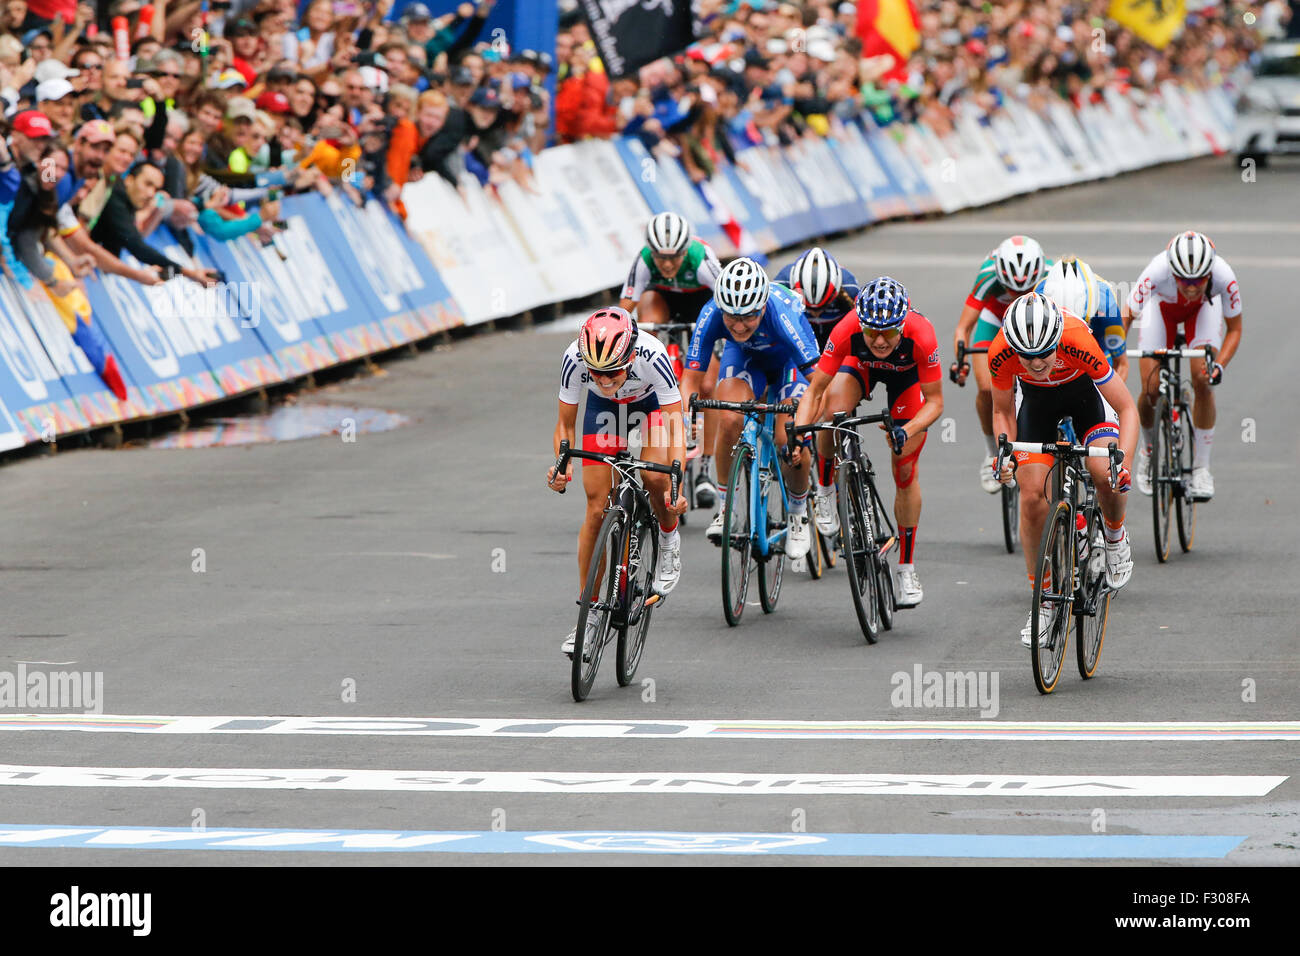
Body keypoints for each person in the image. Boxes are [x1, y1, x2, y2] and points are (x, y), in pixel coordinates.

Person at [989, 293, 1137, 647]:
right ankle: (1041, 603)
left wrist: (1124, 464)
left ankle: (1115, 538)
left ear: (1057, 339)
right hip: (1037, 405)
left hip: (1087, 397)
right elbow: (1002, 412)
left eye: (1044, 353)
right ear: (1013, 348)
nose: (1037, 362)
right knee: (1031, 498)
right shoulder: (1001, 352)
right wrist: (1004, 452)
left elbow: (1127, 408)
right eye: (1027, 356)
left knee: (1104, 472)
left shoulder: (1077, 339)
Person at [792, 276, 943, 608]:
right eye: (871, 331)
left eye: (888, 332)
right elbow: (815, 390)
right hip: (858, 368)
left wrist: (908, 429)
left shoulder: (922, 335)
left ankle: (905, 568)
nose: (878, 340)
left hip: (906, 378)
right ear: (860, 322)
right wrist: (800, 432)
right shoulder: (847, 329)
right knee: (833, 411)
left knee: (904, 467)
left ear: (902, 326)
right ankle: (827, 488)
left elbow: (935, 403)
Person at [546, 307, 688, 658]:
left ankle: (668, 539)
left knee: (655, 475)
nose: (605, 380)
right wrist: (561, 467)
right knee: (596, 508)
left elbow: (675, 429)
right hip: (603, 413)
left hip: (651, 408)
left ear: (631, 354)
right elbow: (565, 425)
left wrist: (676, 487)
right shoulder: (573, 358)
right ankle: (590, 613)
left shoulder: (654, 355)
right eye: (597, 373)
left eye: (613, 372)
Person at [679, 257, 818, 562]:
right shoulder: (712, 312)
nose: (739, 325)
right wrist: (684, 416)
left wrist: (804, 427)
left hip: (789, 365)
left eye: (749, 317)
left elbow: (819, 384)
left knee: (787, 439)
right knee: (729, 418)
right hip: (745, 359)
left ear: (763, 307)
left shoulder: (782, 315)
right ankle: (726, 506)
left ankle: (797, 514)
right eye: (732, 318)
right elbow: (690, 379)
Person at [1121, 231, 1239, 501]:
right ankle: (1148, 451)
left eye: (1199, 279)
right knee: (1150, 390)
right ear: (1172, 271)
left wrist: (1219, 366)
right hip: (1161, 311)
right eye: (1184, 279)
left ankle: (1201, 468)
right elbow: (1126, 316)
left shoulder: (1224, 275)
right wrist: (1118, 353)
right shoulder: (1157, 270)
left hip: (1204, 311)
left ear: (1210, 273)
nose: (1191, 286)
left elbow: (1235, 329)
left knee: (1203, 380)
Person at [618, 211, 723, 507]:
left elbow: (727, 302)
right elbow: (626, 306)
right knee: (646, 318)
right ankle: (655, 360)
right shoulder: (644, 259)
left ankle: (704, 469)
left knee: (707, 386)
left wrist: (719, 340)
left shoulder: (701, 257)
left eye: (673, 258)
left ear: (684, 249)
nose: (665, 264)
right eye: (660, 257)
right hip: (663, 300)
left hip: (702, 306)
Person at [951, 235, 1048, 494]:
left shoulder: (1050, 274)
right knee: (986, 389)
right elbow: (964, 328)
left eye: (1025, 289)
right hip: (994, 317)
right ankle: (991, 452)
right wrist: (961, 361)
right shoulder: (987, 276)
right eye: (1012, 290)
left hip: (1032, 318)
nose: (1017, 294)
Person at [773, 246, 861, 349]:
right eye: (808, 307)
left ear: (835, 292)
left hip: (836, 335)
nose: (816, 313)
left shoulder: (850, 288)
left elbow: (858, 332)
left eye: (823, 307)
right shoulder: (782, 285)